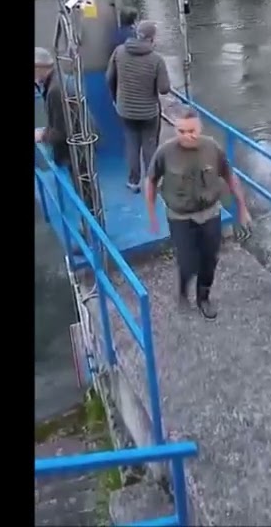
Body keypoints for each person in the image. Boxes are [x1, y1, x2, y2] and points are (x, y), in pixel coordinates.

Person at [145, 107, 251, 319]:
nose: (187, 136)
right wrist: (152, 214)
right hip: (180, 216)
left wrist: (242, 207)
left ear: (200, 128)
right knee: (187, 261)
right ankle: (183, 291)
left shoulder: (212, 148)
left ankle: (204, 297)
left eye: (191, 131)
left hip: (209, 213)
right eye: (181, 131)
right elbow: (151, 180)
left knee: (210, 259)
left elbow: (230, 176)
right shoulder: (165, 153)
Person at [106, 21, 171, 192]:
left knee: (131, 144)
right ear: (152, 38)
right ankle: (152, 183)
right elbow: (164, 89)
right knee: (150, 146)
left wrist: (116, 99)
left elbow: (109, 78)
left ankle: (133, 182)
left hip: (125, 110)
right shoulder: (156, 59)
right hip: (149, 112)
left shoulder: (119, 52)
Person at [34, 47, 71, 168]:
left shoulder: (55, 90)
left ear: (39, 68)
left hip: (72, 150)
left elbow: (62, 130)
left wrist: (42, 135)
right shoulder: (60, 79)